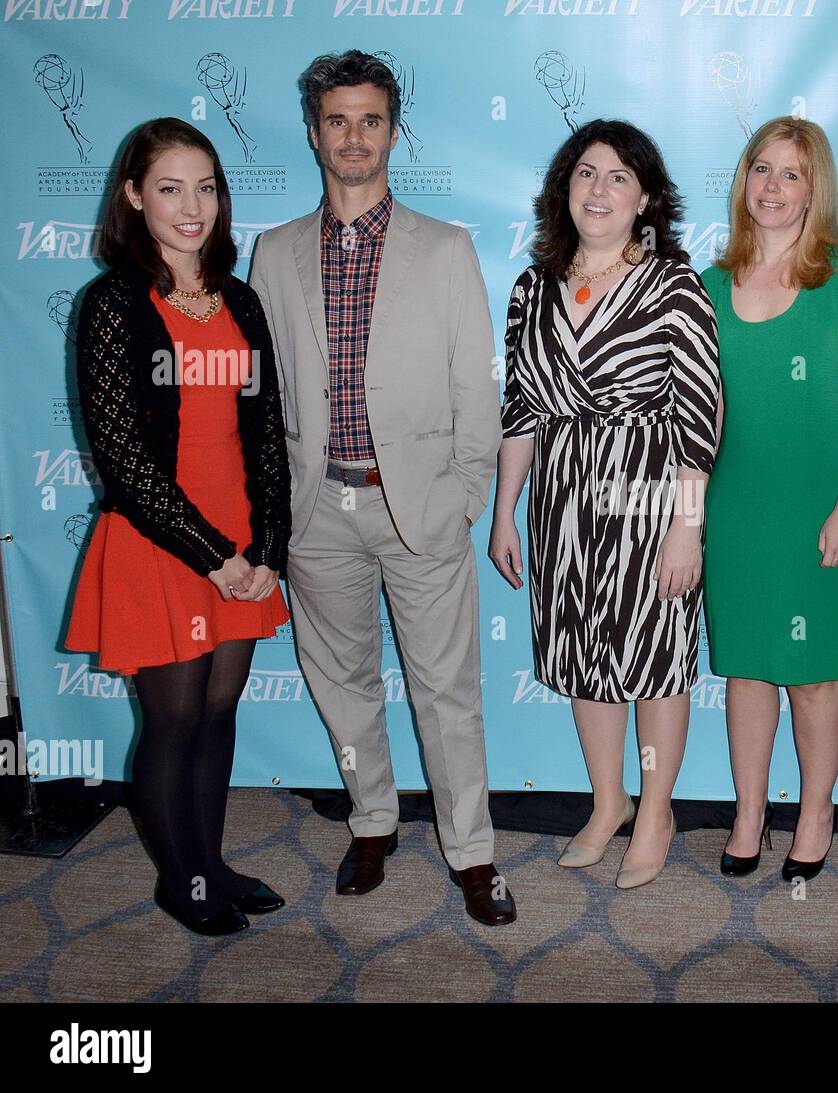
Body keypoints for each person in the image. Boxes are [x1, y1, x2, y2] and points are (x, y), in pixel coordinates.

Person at [249, 51, 514, 926]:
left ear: (392, 131)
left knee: (448, 691)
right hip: (315, 508)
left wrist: (466, 495)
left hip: (421, 507)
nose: (354, 136)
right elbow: (259, 395)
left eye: (370, 120)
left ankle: (472, 850)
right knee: (341, 682)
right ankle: (372, 823)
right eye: (337, 120)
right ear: (314, 132)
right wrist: (272, 511)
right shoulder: (274, 249)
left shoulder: (445, 248)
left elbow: (478, 388)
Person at [64, 118, 291, 936]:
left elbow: (267, 433)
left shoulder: (240, 299)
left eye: (205, 186)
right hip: (161, 540)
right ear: (133, 196)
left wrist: (264, 550)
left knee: (221, 710)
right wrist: (215, 558)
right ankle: (183, 881)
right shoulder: (111, 304)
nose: (192, 206)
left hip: (240, 543)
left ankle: (212, 860)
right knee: (175, 717)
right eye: (169, 187)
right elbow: (123, 459)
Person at [489, 120, 721, 890]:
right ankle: (609, 800)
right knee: (587, 658)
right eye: (586, 173)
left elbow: (699, 415)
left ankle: (656, 807)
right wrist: (504, 513)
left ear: (647, 197)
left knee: (653, 661)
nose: (599, 189)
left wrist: (687, 528)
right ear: (566, 188)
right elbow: (520, 409)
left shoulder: (675, 285)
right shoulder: (532, 285)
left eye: (619, 177)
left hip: (650, 497)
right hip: (561, 499)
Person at [701, 117, 838, 882]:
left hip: (818, 506)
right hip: (733, 508)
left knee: (811, 671)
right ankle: (750, 812)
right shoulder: (709, 284)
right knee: (745, 667)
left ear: (817, 190)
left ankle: (816, 811)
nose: (773, 187)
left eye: (792, 174)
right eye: (761, 170)